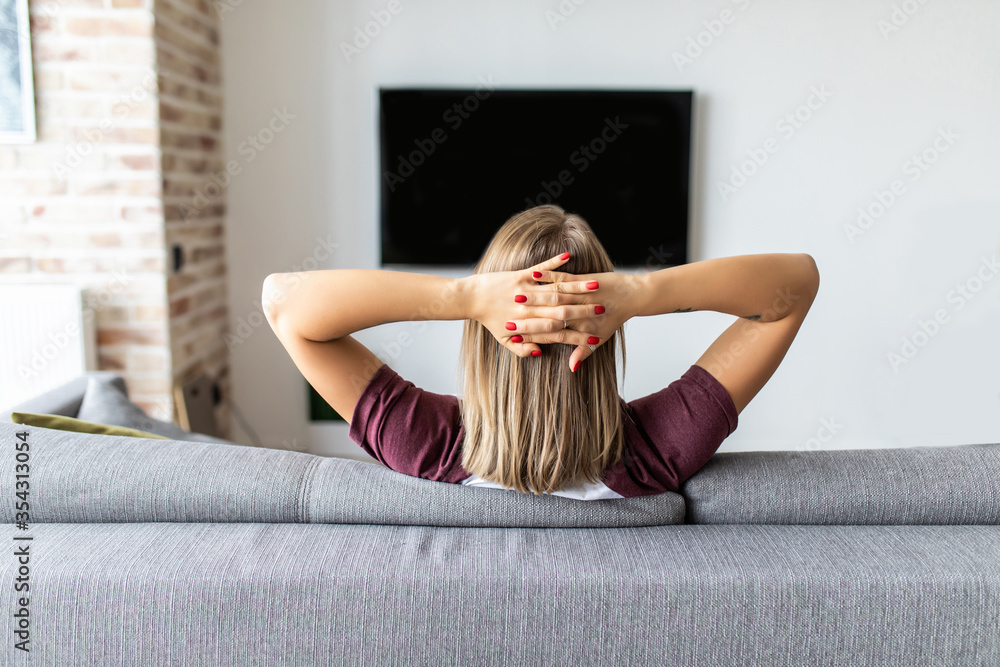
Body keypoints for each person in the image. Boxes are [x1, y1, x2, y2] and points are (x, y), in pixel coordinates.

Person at [263, 204, 820, 500]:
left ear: (484, 333)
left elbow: (284, 304)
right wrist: (643, 291)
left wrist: (463, 296)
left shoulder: (427, 444)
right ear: (607, 330)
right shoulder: (658, 450)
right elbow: (796, 286)